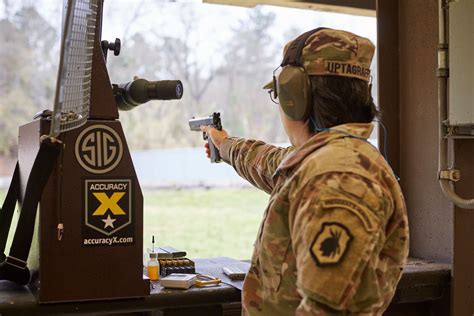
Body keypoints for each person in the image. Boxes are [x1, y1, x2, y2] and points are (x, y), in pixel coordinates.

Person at [201, 28, 409, 315]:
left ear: (293, 96)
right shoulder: (327, 161)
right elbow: (271, 163)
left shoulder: (337, 178)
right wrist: (224, 145)